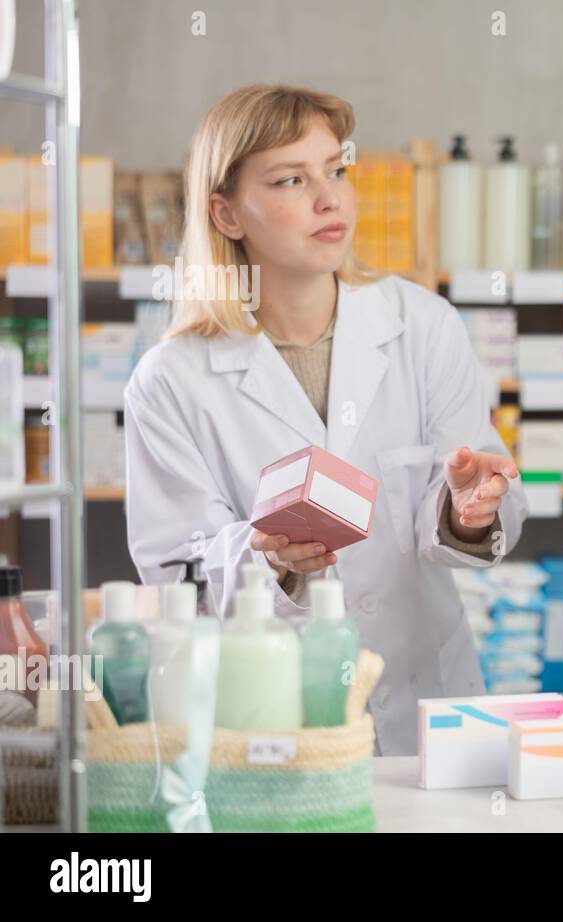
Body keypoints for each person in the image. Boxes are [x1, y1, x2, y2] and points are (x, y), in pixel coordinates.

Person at [124, 85, 527, 755]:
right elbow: (174, 581)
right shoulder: (171, 382)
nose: (329, 198)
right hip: (272, 729)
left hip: (426, 720)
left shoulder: (422, 328)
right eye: (291, 179)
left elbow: (482, 498)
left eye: (337, 170)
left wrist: (468, 510)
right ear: (226, 214)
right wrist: (264, 559)